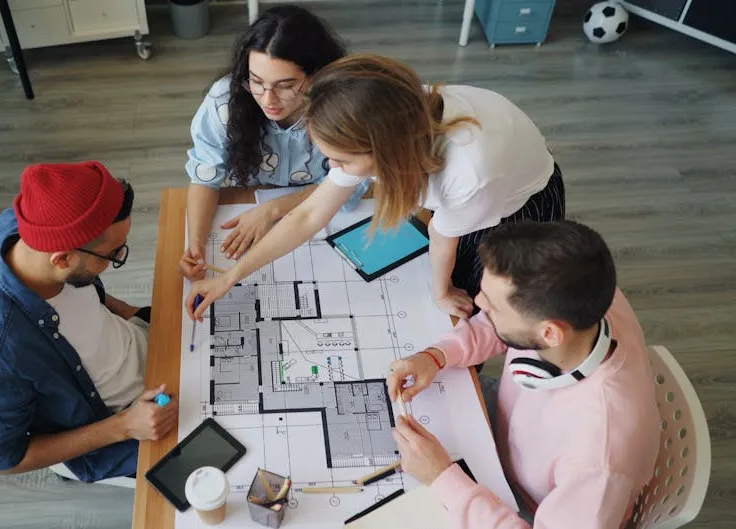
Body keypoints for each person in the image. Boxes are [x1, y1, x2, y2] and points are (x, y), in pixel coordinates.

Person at [184, 54, 564, 320]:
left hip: (517, 202)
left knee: (481, 300)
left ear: (382, 151)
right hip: (470, 178)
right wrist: (229, 278)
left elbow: (443, 235)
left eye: (343, 161)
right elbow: (309, 215)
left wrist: (441, 293)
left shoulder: (468, 172)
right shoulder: (377, 119)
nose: (333, 170)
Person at [388, 220, 660, 528]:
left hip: (531, 507)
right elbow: (499, 327)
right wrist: (436, 356)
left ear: (549, 333)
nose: (477, 303)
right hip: (507, 442)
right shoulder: (582, 294)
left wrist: (441, 477)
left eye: (491, 307)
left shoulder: (598, 459)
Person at [0, 161, 178, 483]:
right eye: (114, 254)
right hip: (124, 418)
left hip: (144, 348)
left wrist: (131, 311)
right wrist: (126, 425)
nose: (118, 258)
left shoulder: (20, 229)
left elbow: (85, 301)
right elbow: (3, 458)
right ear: (62, 259)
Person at [180, 5, 365, 280]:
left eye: (286, 85)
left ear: (317, 75)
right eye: (256, 82)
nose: (268, 100)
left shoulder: (344, 106)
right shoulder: (225, 101)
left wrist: (273, 210)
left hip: (322, 206)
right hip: (258, 200)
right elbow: (205, 173)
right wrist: (195, 244)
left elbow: (356, 180)